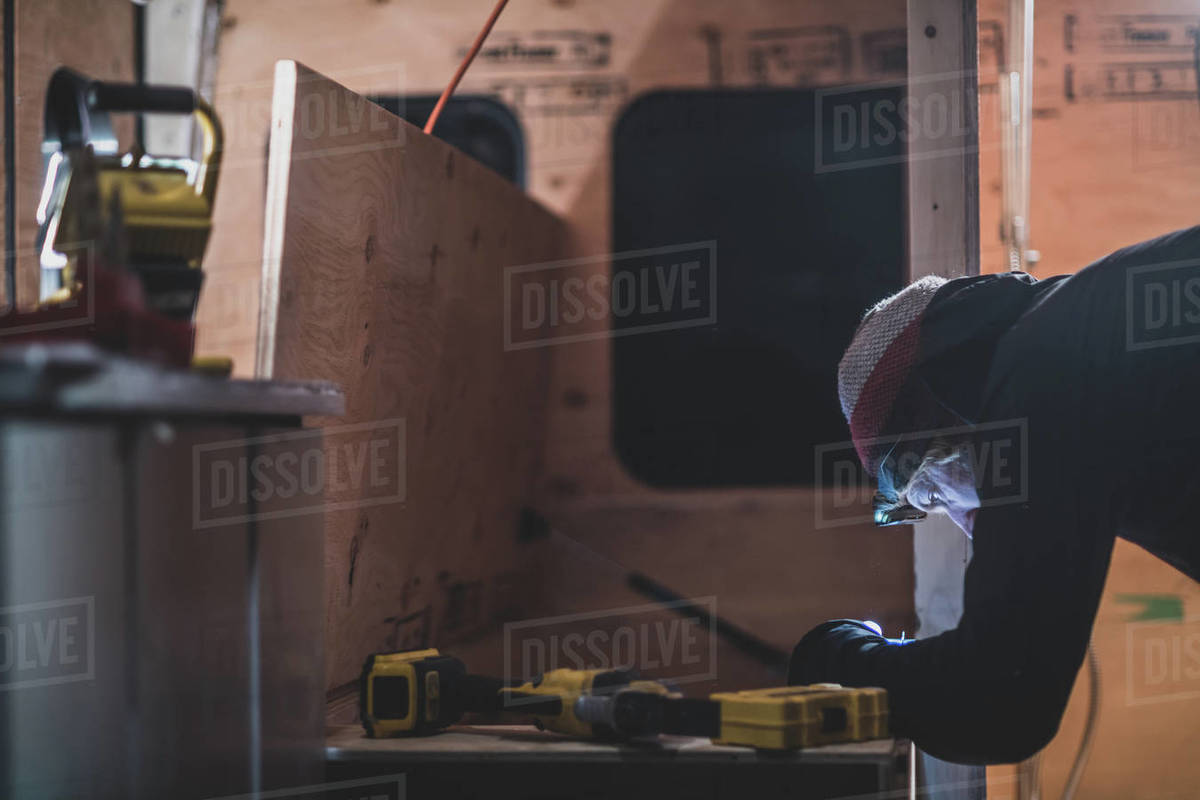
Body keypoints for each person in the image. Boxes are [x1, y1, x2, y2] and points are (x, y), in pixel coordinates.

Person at [789, 226, 1200, 764]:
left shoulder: (1039, 373)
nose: (961, 525)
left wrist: (834, 653)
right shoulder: (1081, 332)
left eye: (932, 495)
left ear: (940, 421)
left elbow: (997, 702)